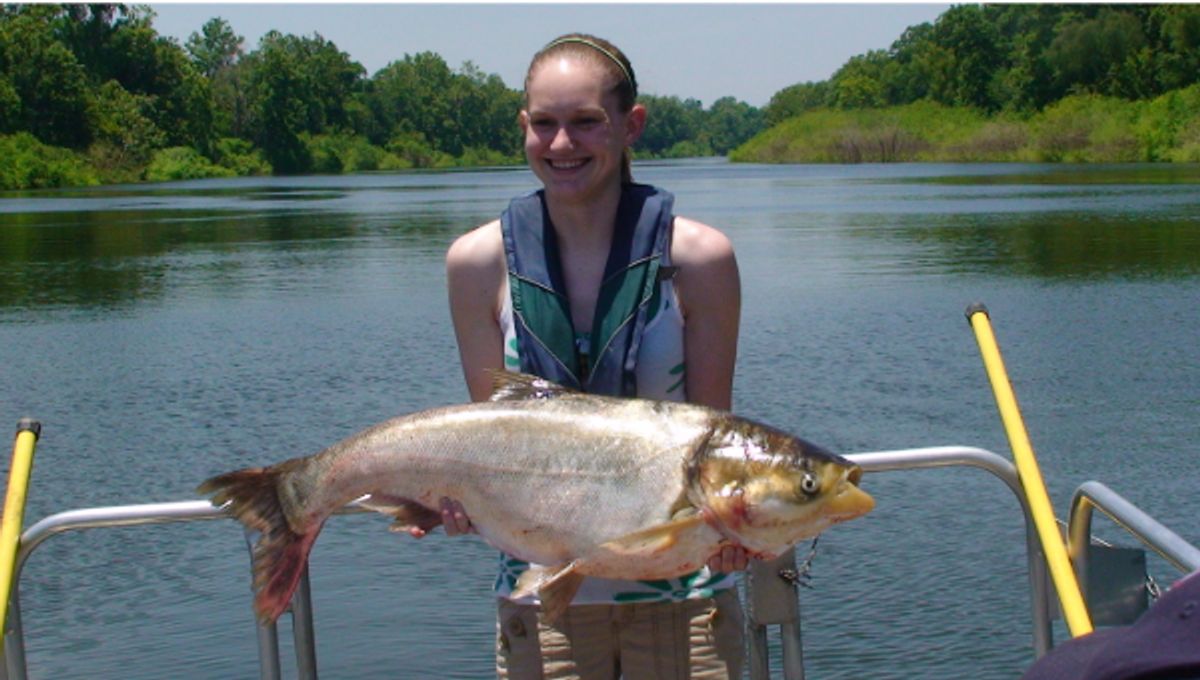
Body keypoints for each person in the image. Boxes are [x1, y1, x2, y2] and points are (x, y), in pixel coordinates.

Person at [439, 33, 749, 680]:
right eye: (544, 125)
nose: (561, 145)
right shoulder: (475, 264)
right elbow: (493, 439)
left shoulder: (699, 260)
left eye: (585, 123)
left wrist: (736, 524)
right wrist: (455, 495)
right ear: (523, 128)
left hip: (683, 597)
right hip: (541, 593)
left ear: (630, 125)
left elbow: (713, 439)